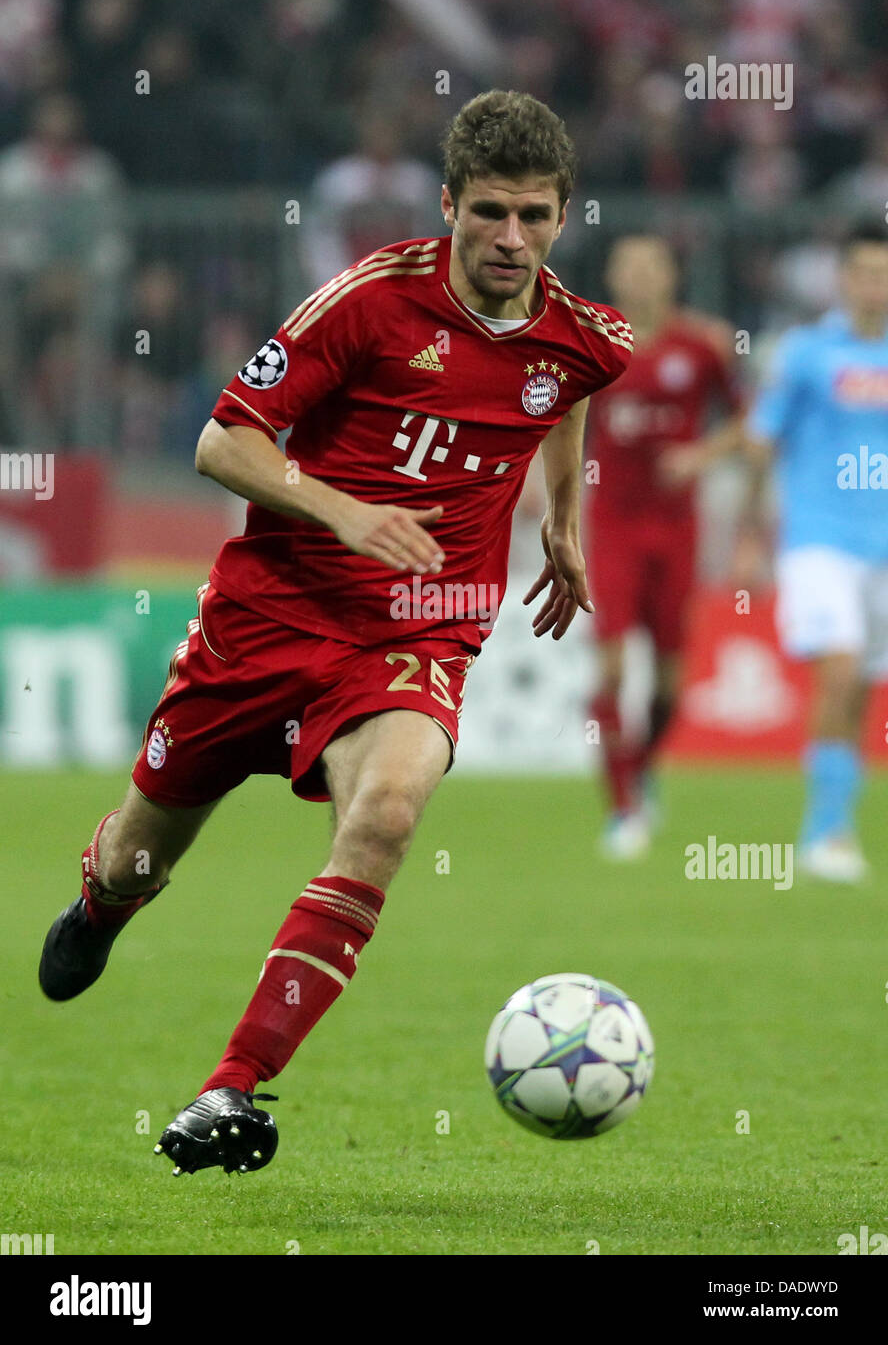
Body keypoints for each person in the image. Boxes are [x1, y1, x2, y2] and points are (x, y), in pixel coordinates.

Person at [38, 90, 633, 1176]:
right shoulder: (366, 303)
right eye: (490, 213)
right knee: (138, 851)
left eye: (536, 217)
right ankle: (103, 899)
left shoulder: (583, 336)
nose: (512, 239)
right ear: (448, 204)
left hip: (419, 629)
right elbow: (225, 443)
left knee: (391, 808)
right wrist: (347, 510)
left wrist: (568, 523)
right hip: (267, 617)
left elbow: (566, 387)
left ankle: (231, 1085)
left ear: (562, 216)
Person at [585, 235, 746, 858]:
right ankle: (622, 809)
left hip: (677, 529)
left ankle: (644, 766)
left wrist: (700, 454)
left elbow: (744, 421)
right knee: (612, 668)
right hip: (613, 527)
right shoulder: (594, 346)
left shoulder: (702, 346)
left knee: (671, 683)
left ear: (672, 276)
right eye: (630, 267)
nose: (641, 278)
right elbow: (558, 421)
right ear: (614, 276)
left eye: (653, 267)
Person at [742, 224, 888, 883]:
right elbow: (763, 437)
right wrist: (748, 528)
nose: (874, 284)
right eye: (862, 270)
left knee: (859, 686)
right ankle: (826, 828)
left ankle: (838, 818)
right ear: (842, 277)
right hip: (819, 540)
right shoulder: (805, 352)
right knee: (839, 667)